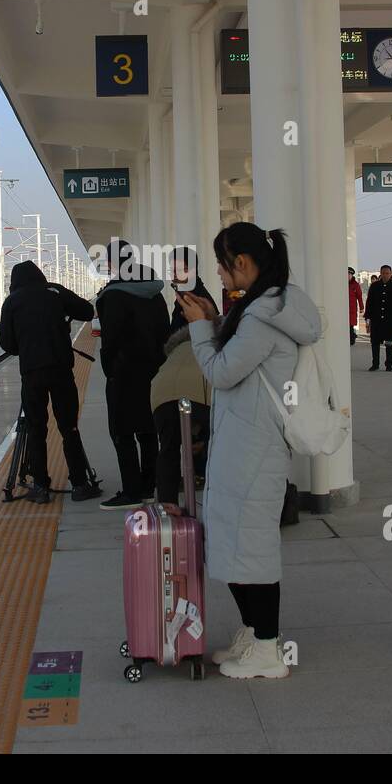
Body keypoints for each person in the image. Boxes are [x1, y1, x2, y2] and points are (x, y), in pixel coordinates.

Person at [178, 222, 321, 680]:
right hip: (247, 440)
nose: (218, 275)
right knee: (237, 541)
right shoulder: (272, 305)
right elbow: (241, 357)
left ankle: (267, 649)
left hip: (252, 447)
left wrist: (200, 330)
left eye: (221, 265)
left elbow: (221, 372)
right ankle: (254, 632)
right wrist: (215, 321)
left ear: (241, 263)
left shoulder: (262, 315)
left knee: (251, 547)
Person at [0, 260, 99, 504]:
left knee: (36, 428)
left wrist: (27, 346)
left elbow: (7, 344)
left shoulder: (12, 301)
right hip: (61, 370)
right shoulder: (54, 291)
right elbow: (87, 311)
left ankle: (40, 487)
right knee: (69, 427)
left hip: (32, 374)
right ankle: (80, 485)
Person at [95, 240, 170, 510]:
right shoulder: (154, 292)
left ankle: (131, 492)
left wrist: (109, 368)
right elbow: (166, 330)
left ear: (114, 263)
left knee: (122, 432)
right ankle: (149, 487)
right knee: (148, 430)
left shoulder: (114, 295)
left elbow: (110, 339)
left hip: (124, 374)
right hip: (153, 371)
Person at [150, 324, 211, 505]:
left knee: (168, 449)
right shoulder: (210, 343)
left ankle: (168, 507)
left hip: (162, 392)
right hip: (199, 392)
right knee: (219, 441)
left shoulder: (175, 351)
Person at [364, 265, 392, 371]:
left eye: (387, 273)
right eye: (383, 273)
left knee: (390, 342)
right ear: (380, 274)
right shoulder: (374, 286)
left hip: (390, 320)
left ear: (391, 274)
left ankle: (389, 364)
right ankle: (375, 364)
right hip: (376, 319)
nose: (385, 275)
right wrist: (367, 316)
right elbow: (369, 302)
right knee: (375, 343)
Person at [167, 246, 215, 338]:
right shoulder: (183, 292)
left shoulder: (197, 299)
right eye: (172, 270)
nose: (174, 274)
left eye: (178, 270)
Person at [348, 267, 364, 346]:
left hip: (352, 309)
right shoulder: (341, 283)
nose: (348, 276)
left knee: (350, 325)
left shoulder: (355, 285)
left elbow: (359, 297)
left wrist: (361, 307)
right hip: (343, 309)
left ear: (352, 275)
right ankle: (351, 337)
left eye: (349, 274)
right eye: (347, 274)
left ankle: (352, 339)